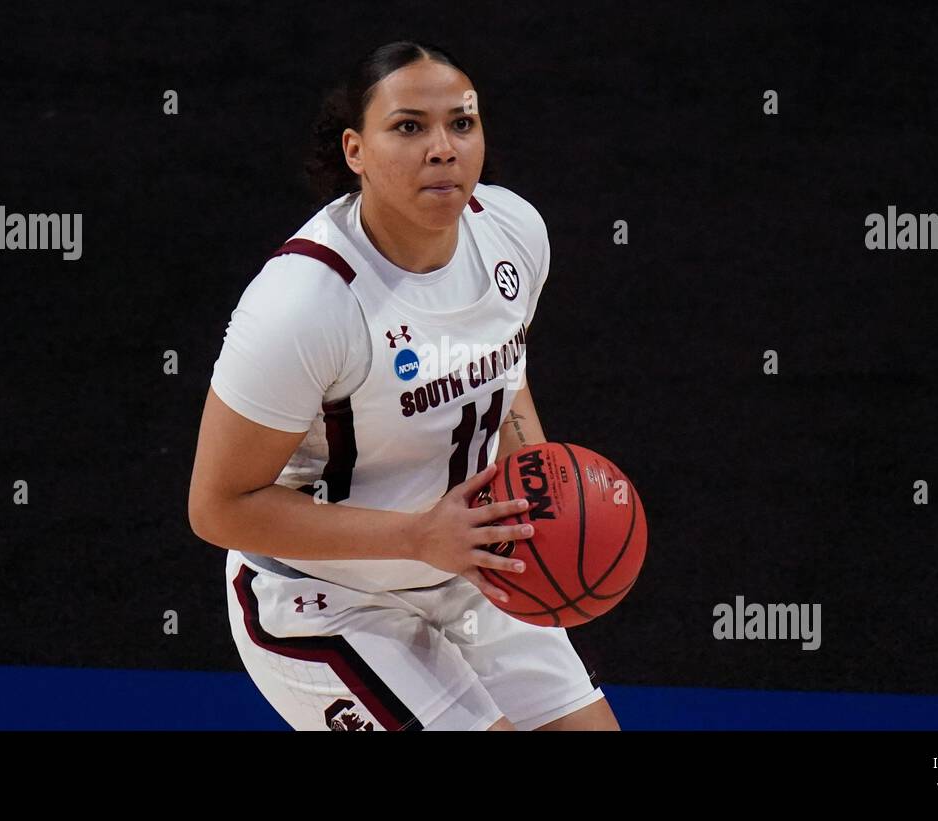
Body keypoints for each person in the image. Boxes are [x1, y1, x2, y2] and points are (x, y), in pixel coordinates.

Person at [188, 40, 618, 731]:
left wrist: (538, 490)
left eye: (462, 123)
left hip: (466, 564)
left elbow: (506, 373)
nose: (443, 147)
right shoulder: (305, 303)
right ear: (356, 150)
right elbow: (217, 508)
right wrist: (419, 535)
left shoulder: (514, 232)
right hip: (325, 597)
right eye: (410, 126)